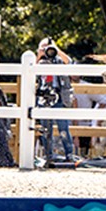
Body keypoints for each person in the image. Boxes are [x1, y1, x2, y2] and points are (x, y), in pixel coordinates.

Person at [35, 37, 76, 165]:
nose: (47, 50)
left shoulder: (58, 61)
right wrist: (39, 55)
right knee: (46, 129)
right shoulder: (39, 63)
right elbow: (30, 73)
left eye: (48, 47)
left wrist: (57, 49)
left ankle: (69, 154)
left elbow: (69, 62)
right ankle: (49, 156)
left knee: (63, 127)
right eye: (43, 48)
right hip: (44, 98)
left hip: (59, 96)